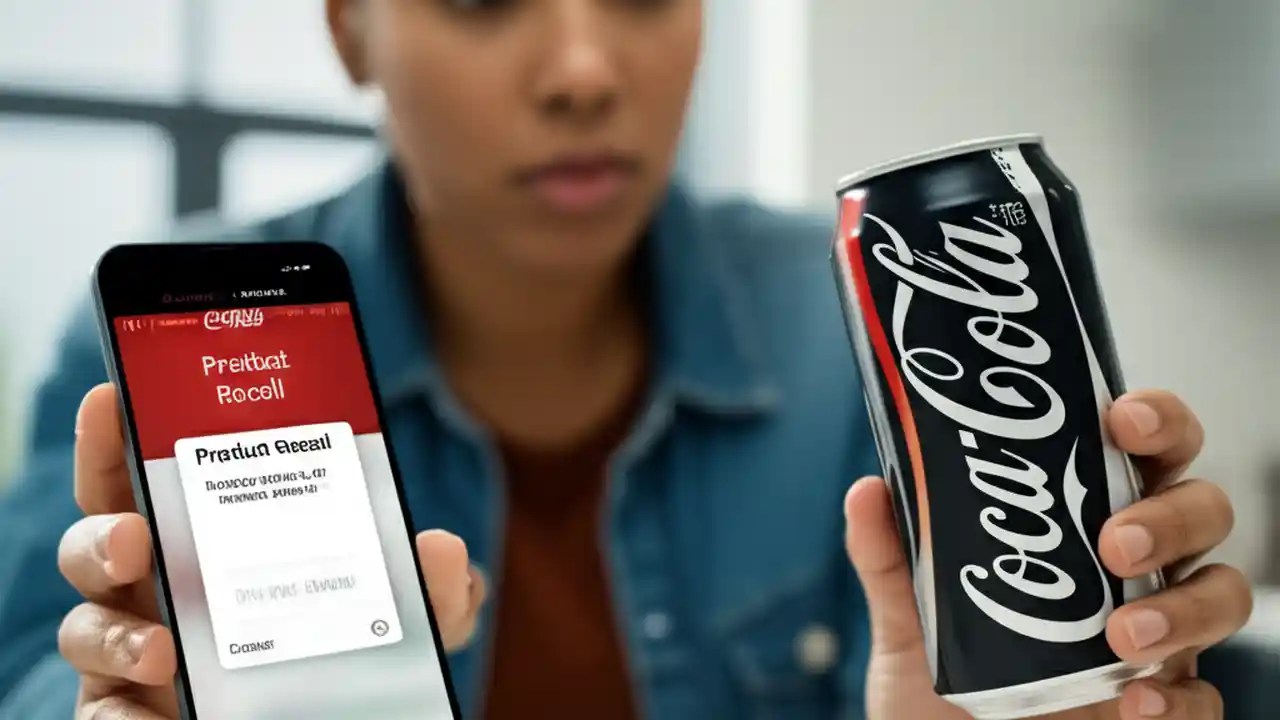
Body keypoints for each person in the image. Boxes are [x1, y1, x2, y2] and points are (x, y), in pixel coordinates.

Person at [0, 1, 1253, 718]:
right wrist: (121, 698)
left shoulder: (850, 323)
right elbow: (26, 671)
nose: (587, 71)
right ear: (350, 33)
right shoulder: (175, 344)